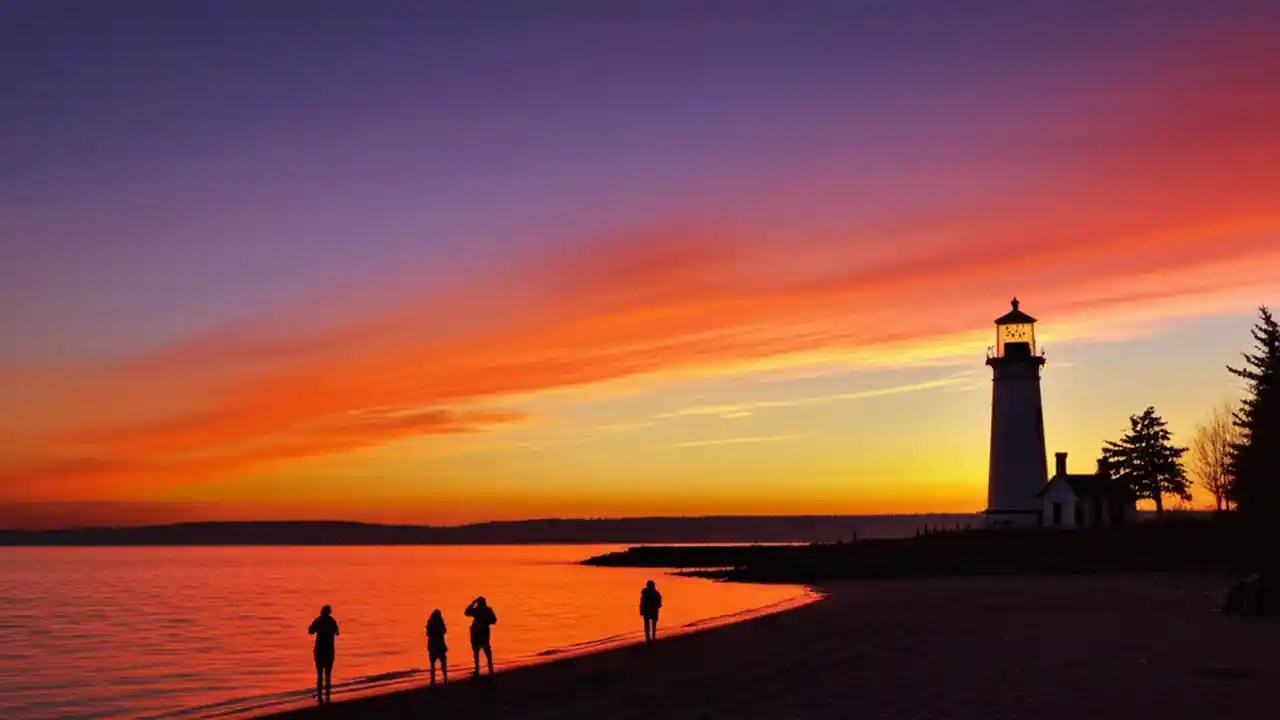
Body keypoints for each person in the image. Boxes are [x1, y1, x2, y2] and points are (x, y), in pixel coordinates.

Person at [307, 605, 340, 704]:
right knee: (327, 674)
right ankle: (327, 695)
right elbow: (337, 632)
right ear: (329, 612)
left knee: (320, 674)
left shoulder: (319, 621)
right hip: (328, 651)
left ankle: (321, 695)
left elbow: (310, 631)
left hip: (320, 651)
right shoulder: (331, 622)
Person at [464, 596, 497, 677]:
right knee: (484, 652)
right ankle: (487, 669)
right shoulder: (485, 610)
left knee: (482, 652)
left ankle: (482, 670)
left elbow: (467, 612)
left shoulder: (479, 611)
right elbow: (466, 612)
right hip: (479, 633)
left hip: (480, 633)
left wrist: (473, 603)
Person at [425, 609, 448, 685]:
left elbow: (428, 633)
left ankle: (433, 679)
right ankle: (444, 677)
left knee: (433, 664)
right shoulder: (439, 622)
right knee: (442, 663)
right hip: (439, 646)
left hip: (434, 646)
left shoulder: (430, 622)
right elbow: (444, 631)